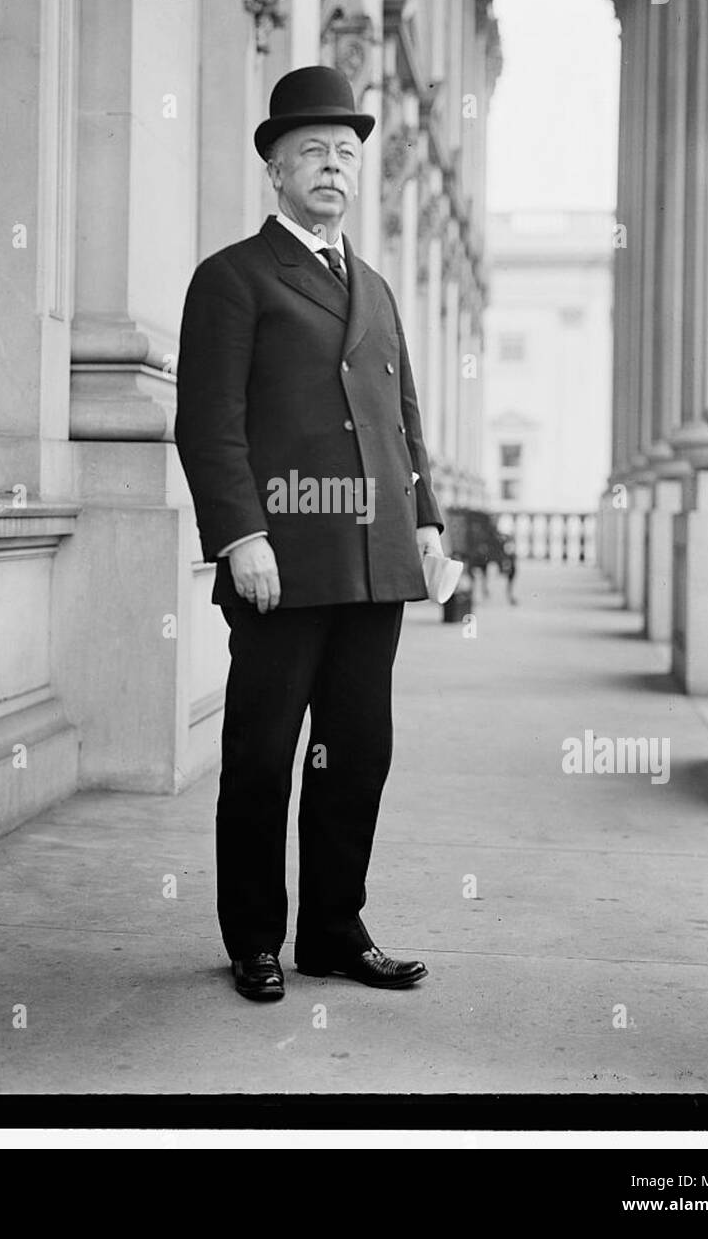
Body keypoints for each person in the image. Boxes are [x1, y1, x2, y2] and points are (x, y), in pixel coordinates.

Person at [175, 66, 444, 1001]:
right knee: (261, 754)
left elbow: (404, 419)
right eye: (313, 153)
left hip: (376, 563)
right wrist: (240, 536)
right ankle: (254, 936)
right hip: (281, 564)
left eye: (347, 155)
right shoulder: (233, 278)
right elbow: (208, 424)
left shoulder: (373, 286)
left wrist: (433, 522)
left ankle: (334, 931)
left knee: (358, 751)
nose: (333, 168)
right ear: (275, 170)